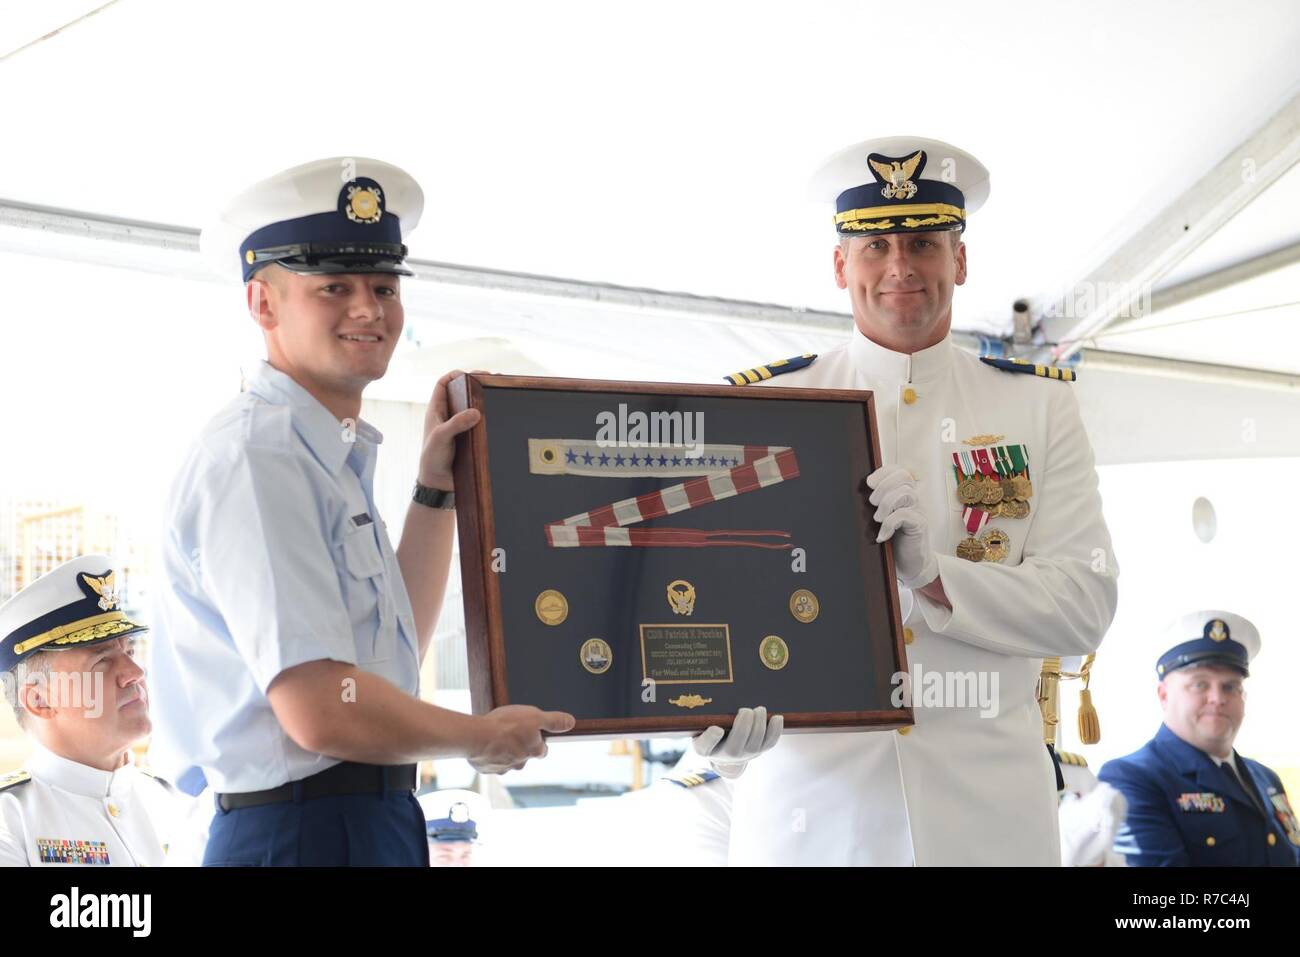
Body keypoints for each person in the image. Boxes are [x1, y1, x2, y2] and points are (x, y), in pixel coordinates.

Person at [149, 157, 574, 866]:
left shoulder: (320, 452)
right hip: (302, 833)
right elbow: (321, 705)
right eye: (334, 287)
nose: (368, 308)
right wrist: (478, 735)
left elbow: (387, 646)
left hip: (361, 817)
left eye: (383, 286)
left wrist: (436, 490)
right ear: (264, 304)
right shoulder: (260, 458)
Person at [715, 136, 1119, 865]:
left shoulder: (1037, 408)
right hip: (814, 826)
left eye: (924, 243)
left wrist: (933, 576)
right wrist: (708, 724)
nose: (900, 266)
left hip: (989, 829)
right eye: (875, 248)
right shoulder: (768, 405)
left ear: (959, 260)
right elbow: (720, 600)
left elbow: (1085, 603)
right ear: (841, 266)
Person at [0, 556, 194, 866]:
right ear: (39, 699)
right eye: (102, 660)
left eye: (129, 651)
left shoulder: (177, 801)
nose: (135, 671)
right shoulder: (10, 824)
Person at [1099, 612, 1299, 866]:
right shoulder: (1130, 778)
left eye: (1230, 687)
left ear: (1243, 697)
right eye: (1200, 685)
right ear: (1163, 695)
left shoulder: (1266, 778)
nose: (1217, 698)